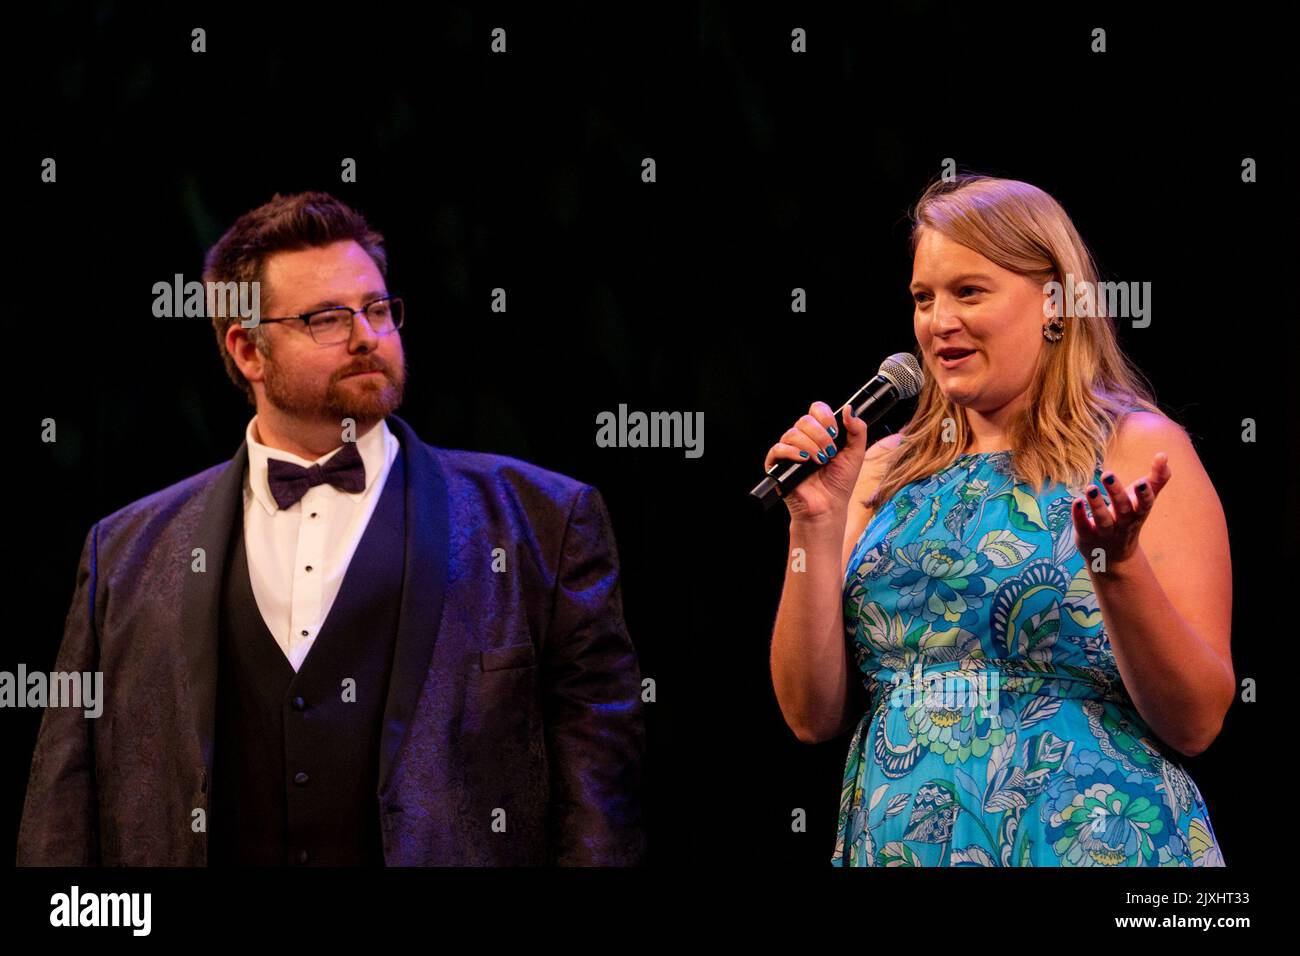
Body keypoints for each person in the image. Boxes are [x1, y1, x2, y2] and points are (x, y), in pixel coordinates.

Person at [17, 191, 645, 866]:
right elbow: (64, 801)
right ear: (248, 351)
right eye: (325, 318)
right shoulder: (125, 550)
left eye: (377, 310)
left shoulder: (541, 520)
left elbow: (601, 799)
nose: (366, 336)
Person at [765, 174, 1230, 867]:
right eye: (923, 298)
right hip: (904, 842)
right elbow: (809, 715)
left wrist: (1116, 563)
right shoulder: (878, 471)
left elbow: (1195, 721)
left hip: (1088, 840)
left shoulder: (1139, 449)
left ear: (1053, 301)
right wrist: (813, 523)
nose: (937, 321)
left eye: (968, 292)